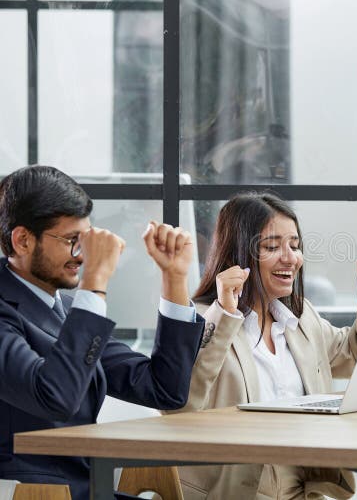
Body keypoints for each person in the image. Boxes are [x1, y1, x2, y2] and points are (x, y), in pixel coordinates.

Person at [170, 192, 357, 500]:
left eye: (295, 245)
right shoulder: (200, 319)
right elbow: (181, 403)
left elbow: (355, 355)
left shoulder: (301, 318)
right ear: (238, 255)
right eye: (272, 247)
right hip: (228, 494)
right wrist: (224, 314)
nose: (290, 258)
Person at [0, 165, 206, 499]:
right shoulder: (11, 310)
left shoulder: (67, 311)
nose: (81, 256)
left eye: (86, 241)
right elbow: (54, 397)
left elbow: (164, 389)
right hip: (28, 493)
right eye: (71, 241)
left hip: (83, 490)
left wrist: (174, 278)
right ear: (22, 240)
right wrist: (94, 281)